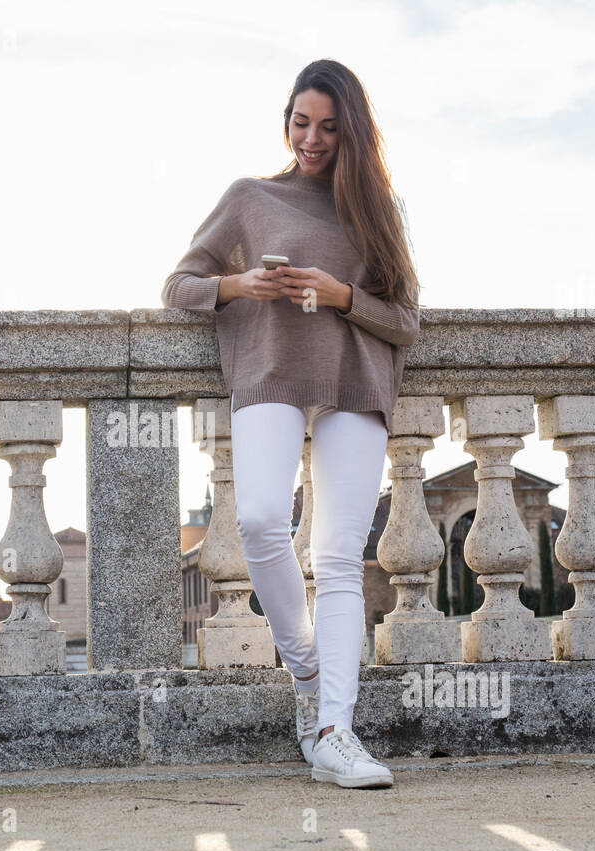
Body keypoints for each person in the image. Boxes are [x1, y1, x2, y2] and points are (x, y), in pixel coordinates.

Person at [160, 59, 421, 789]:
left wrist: (342, 296)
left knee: (339, 558)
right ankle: (305, 668)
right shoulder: (250, 197)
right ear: (287, 121)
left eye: (330, 128)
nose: (312, 139)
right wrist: (241, 284)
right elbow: (178, 284)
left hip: (353, 380)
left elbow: (406, 322)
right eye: (301, 122)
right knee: (263, 520)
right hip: (270, 370)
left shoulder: (377, 212)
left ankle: (337, 732)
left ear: (352, 133)